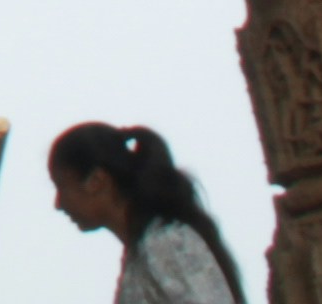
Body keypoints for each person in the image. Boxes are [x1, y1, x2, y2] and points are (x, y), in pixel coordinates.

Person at [50, 122, 246, 304]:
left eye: (62, 187)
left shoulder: (166, 243)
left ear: (97, 181)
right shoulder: (141, 255)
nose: (58, 204)